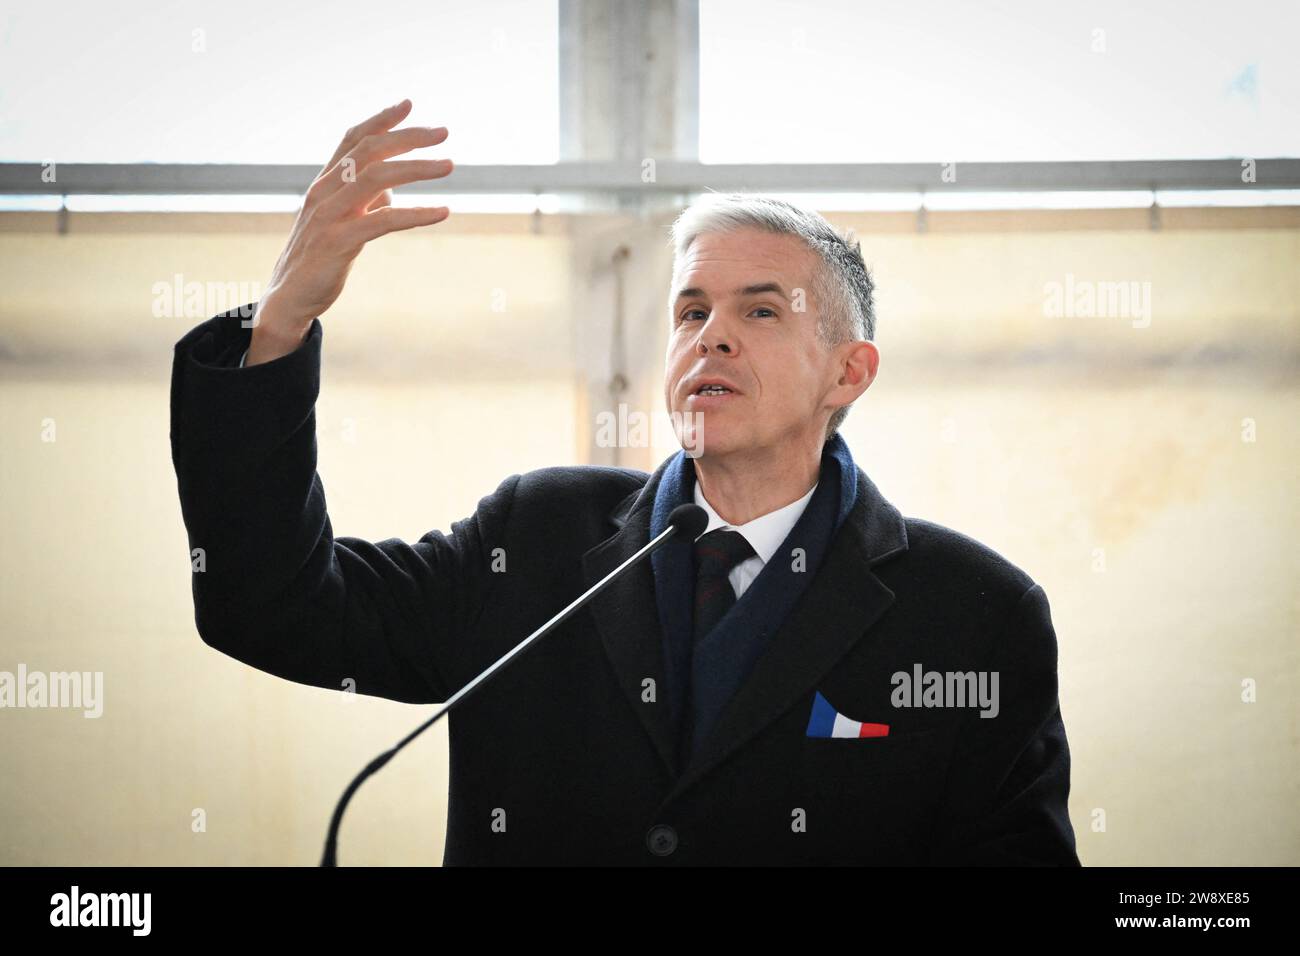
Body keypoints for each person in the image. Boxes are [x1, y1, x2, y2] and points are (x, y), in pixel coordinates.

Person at [170, 99, 1080, 865]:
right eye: (692, 310)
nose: (710, 337)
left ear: (849, 373)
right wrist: (281, 320)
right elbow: (271, 605)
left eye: (760, 310)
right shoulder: (533, 536)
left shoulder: (977, 613)